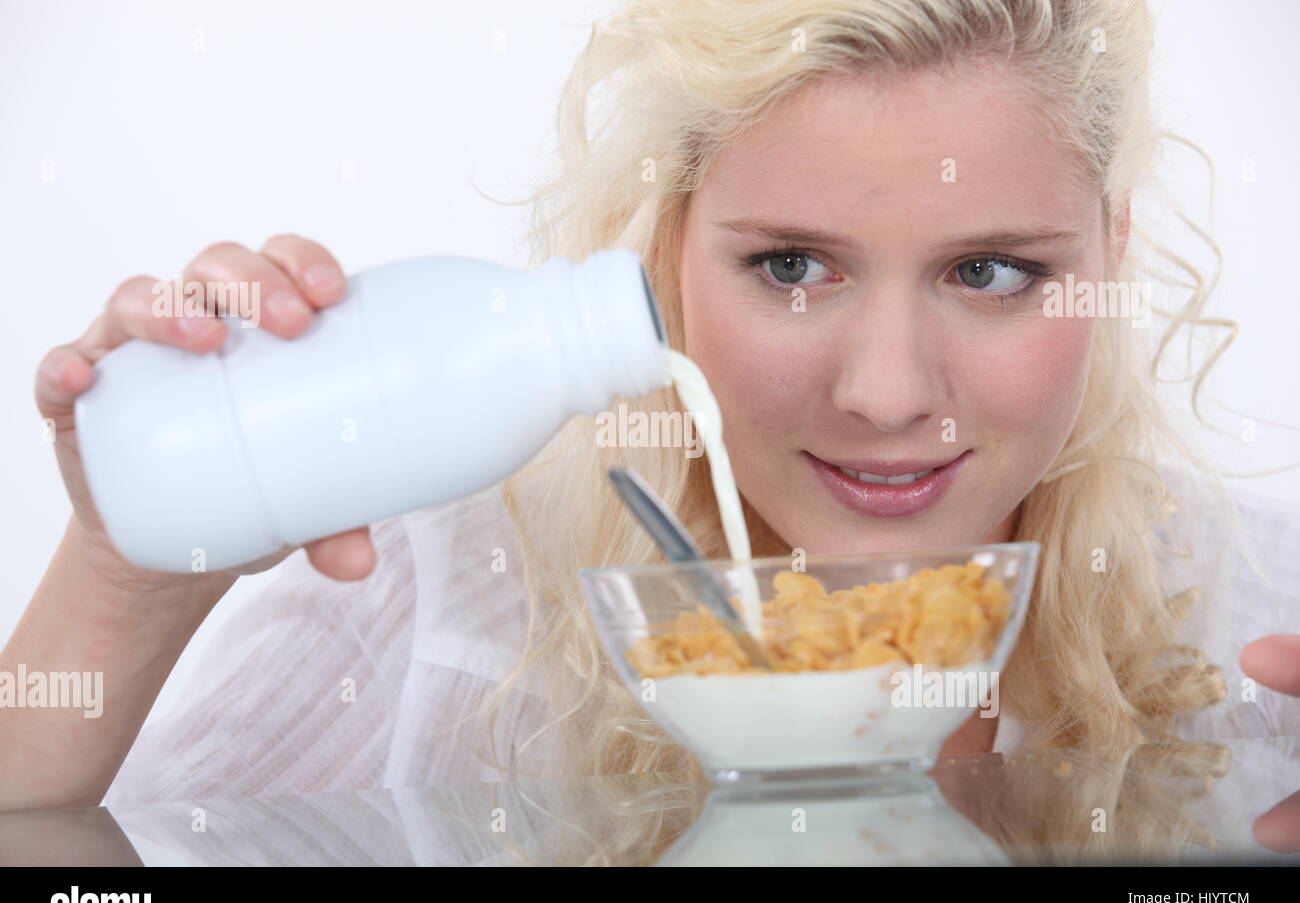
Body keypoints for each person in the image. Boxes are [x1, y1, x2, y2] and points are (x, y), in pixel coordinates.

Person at [3, 0, 1299, 838]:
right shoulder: (439, 602)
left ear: (1108, 253)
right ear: (669, 244)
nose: (886, 392)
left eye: (990, 271)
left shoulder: (1257, 629)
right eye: (792, 265)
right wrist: (121, 588)